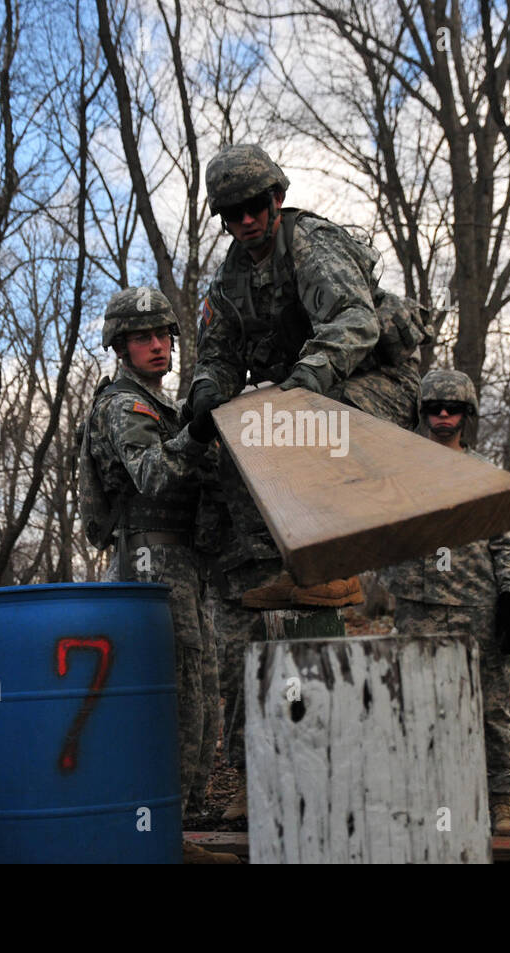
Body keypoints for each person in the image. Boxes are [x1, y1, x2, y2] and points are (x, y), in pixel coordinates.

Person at [186, 143, 428, 819]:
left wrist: (309, 379)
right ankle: (280, 563)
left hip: (375, 384)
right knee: (240, 437)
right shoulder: (230, 279)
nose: (245, 224)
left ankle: (333, 562)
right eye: (231, 216)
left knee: (304, 419)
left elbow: (353, 323)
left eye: (254, 209)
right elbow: (217, 353)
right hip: (306, 397)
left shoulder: (312, 243)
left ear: (275, 200)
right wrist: (208, 393)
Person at [78, 286, 233, 863]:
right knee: (174, 693)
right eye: (143, 337)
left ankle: (174, 826)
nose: (157, 345)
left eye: (164, 335)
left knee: (200, 692)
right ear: (121, 345)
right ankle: (158, 833)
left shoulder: (162, 406)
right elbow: (150, 474)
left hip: (185, 563)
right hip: (152, 563)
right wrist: (196, 432)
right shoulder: (124, 405)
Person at [378, 368, 510, 837]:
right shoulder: (399, 470)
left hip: (477, 606)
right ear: (422, 413)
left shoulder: (485, 474)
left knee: (489, 707)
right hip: (418, 607)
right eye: (434, 408)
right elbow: (377, 531)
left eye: (453, 409)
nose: (443, 416)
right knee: (418, 707)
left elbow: (506, 545)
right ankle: (429, 801)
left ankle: (502, 801)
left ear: (468, 415)